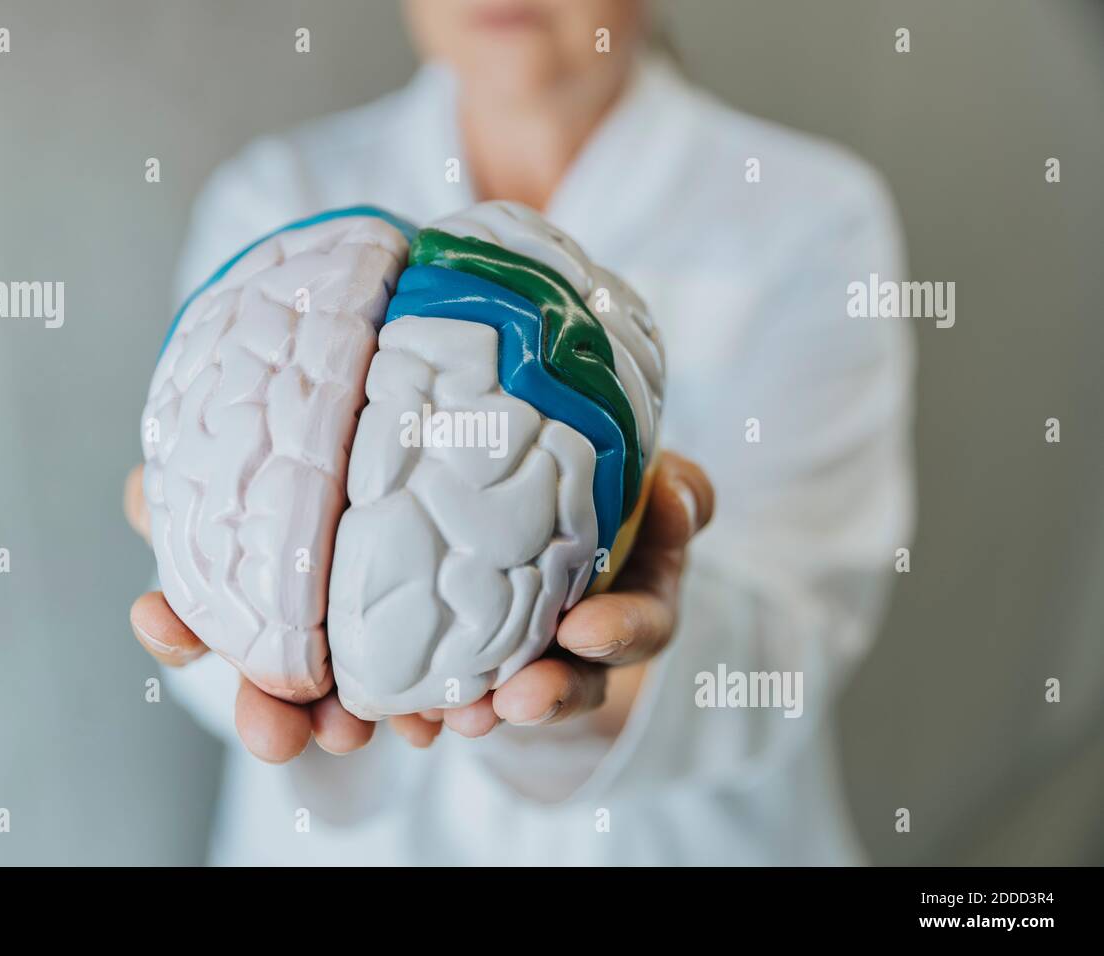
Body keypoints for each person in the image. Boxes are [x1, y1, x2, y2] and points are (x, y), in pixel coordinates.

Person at [122, 0, 913, 865]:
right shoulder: (273, 198)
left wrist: (599, 693)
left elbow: (791, 650)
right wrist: (239, 632)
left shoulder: (812, 213)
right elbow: (205, 646)